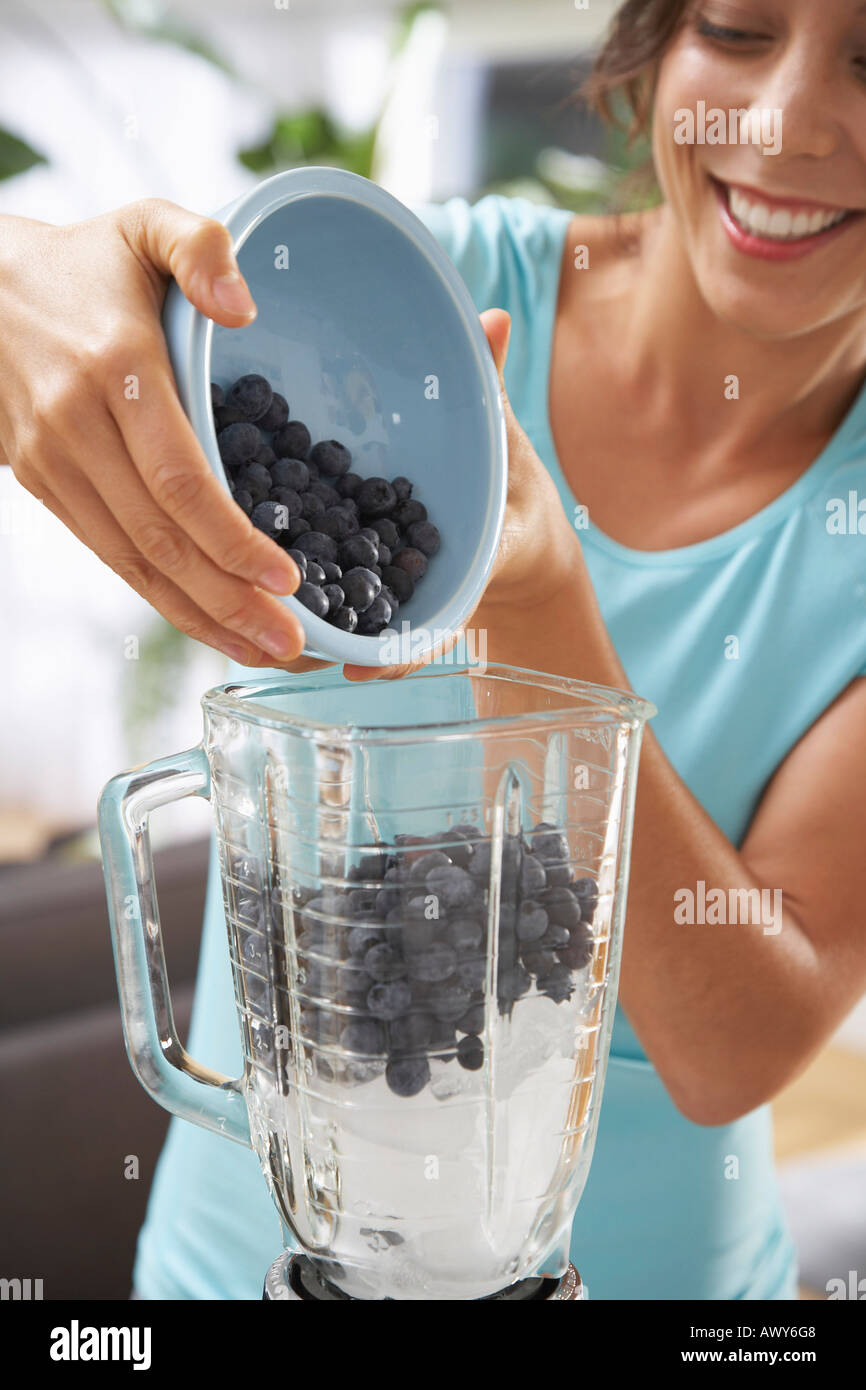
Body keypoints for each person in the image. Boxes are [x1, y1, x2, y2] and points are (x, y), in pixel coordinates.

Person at [3, 0, 866, 1300]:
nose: (785, 119)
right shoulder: (424, 302)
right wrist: (19, 285)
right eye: (737, 28)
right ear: (651, 55)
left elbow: (732, 1046)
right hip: (231, 1266)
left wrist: (539, 606)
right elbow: (107, 320)